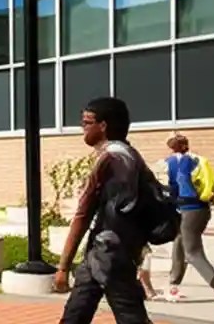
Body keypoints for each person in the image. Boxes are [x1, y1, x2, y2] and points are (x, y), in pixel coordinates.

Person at [56, 97, 162, 324]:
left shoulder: (111, 158)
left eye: (87, 122)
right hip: (105, 251)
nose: (82, 128)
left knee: (131, 317)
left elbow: (83, 214)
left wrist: (63, 266)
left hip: (112, 254)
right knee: (75, 315)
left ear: (103, 126)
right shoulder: (130, 155)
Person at [158, 134, 214, 313]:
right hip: (201, 209)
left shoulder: (167, 164)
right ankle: (173, 286)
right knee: (180, 242)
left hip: (186, 210)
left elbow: (165, 188)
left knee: (193, 253)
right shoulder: (199, 161)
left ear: (171, 147)